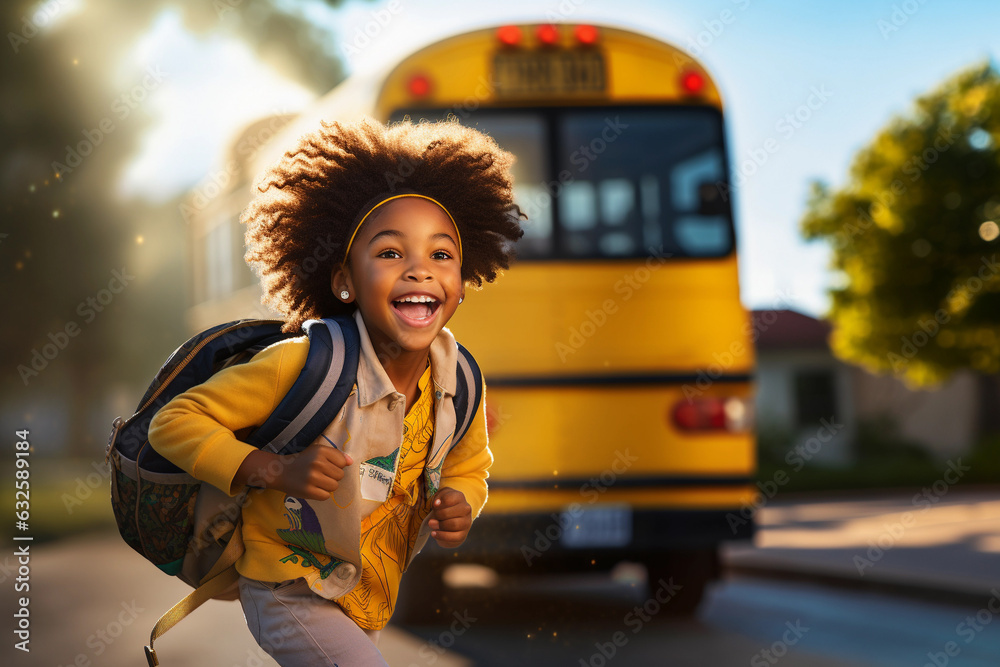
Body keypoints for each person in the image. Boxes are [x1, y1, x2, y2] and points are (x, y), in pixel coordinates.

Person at [148, 115, 524, 665]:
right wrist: (275, 470)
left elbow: (471, 465)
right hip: (286, 584)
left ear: (463, 282)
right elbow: (173, 424)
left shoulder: (460, 378)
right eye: (391, 253)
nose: (420, 270)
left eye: (441, 255)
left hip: (366, 591)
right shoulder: (305, 363)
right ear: (344, 280)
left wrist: (461, 502)